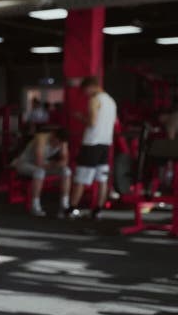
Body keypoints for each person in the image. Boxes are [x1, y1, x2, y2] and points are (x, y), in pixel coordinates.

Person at [65, 76, 117, 219]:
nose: (85, 94)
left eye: (85, 91)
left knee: (81, 178)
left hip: (91, 143)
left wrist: (79, 116)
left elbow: (92, 122)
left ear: (91, 87)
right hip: (105, 143)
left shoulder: (94, 99)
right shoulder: (111, 101)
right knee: (102, 178)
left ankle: (72, 209)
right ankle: (98, 210)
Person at [10, 127, 71, 217]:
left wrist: (56, 164)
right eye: (56, 142)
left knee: (67, 171)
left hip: (44, 164)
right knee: (40, 172)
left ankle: (64, 206)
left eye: (59, 143)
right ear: (53, 135)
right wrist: (56, 164)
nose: (57, 145)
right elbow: (39, 161)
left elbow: (65, 161)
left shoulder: (63, 142)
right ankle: (35, 205)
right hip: (25, 163)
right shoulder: (41, 138)